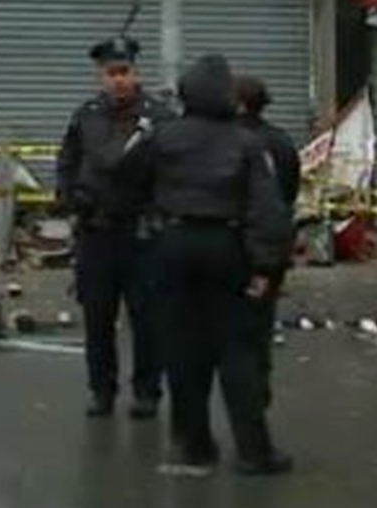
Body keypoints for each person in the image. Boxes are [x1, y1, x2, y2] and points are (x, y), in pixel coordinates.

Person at [124, 54, 295, 476]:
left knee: (182, 350)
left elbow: (127, 178)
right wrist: (266, 269)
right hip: (227, 245)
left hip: (173, 245)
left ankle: (194, 444)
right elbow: (268, 211)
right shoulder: (247, 143)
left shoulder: (162, 137)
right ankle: (254, 451)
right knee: (238, 350)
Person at [56, 36, 174, 419]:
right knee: (98, 317)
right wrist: (70, 200)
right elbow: (67, 161)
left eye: (124, 72)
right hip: (97, 233)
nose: (119, 80)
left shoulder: (158, 116)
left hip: (142, 234)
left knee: (148, 317)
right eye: (111, 73)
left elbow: (173, 169)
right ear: (100, 76)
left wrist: (162, 212)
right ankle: (101, 390)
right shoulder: (86, 115)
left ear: (135, 72)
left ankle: (147, 391)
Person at [232, 75, 301, 408]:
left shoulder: (231, 141)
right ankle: (257, 389)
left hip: (238, 246)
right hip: (271, 250)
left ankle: (244, 395)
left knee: (234, 328)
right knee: (259, 325)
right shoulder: (281, 141)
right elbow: (288, 193)